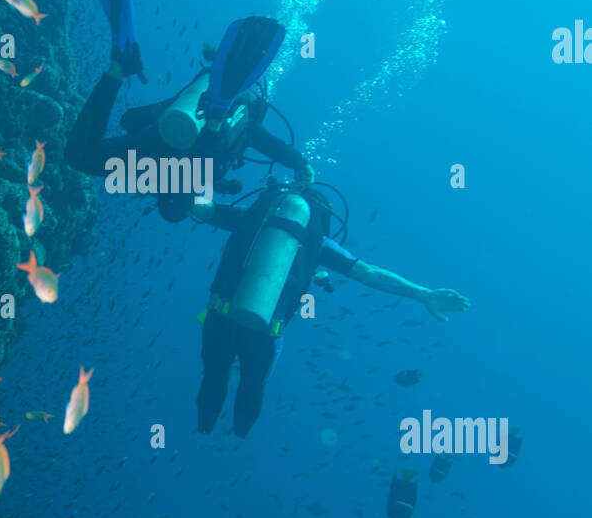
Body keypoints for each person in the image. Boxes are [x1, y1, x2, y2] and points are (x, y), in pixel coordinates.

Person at [64, 0, 311, 221]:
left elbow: (130, 118)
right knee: (175, 210)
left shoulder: (194, 101)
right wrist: (301, 165)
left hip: (162, 141)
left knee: (81, 157)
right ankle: (215, 120)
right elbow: (275, 147)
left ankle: (117, 69)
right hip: (184, 165)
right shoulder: (249, 130)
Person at [192, 178, 470, 437]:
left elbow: (203, 210)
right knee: (253, 386)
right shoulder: (318, 242)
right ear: (323, 218)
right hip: (265, 334)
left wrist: (172, 182)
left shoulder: (255, 216)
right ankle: (239, 435)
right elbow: (369, 272)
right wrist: (424, 294)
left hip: (220, 319)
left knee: (214, 377)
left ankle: (203, 428)